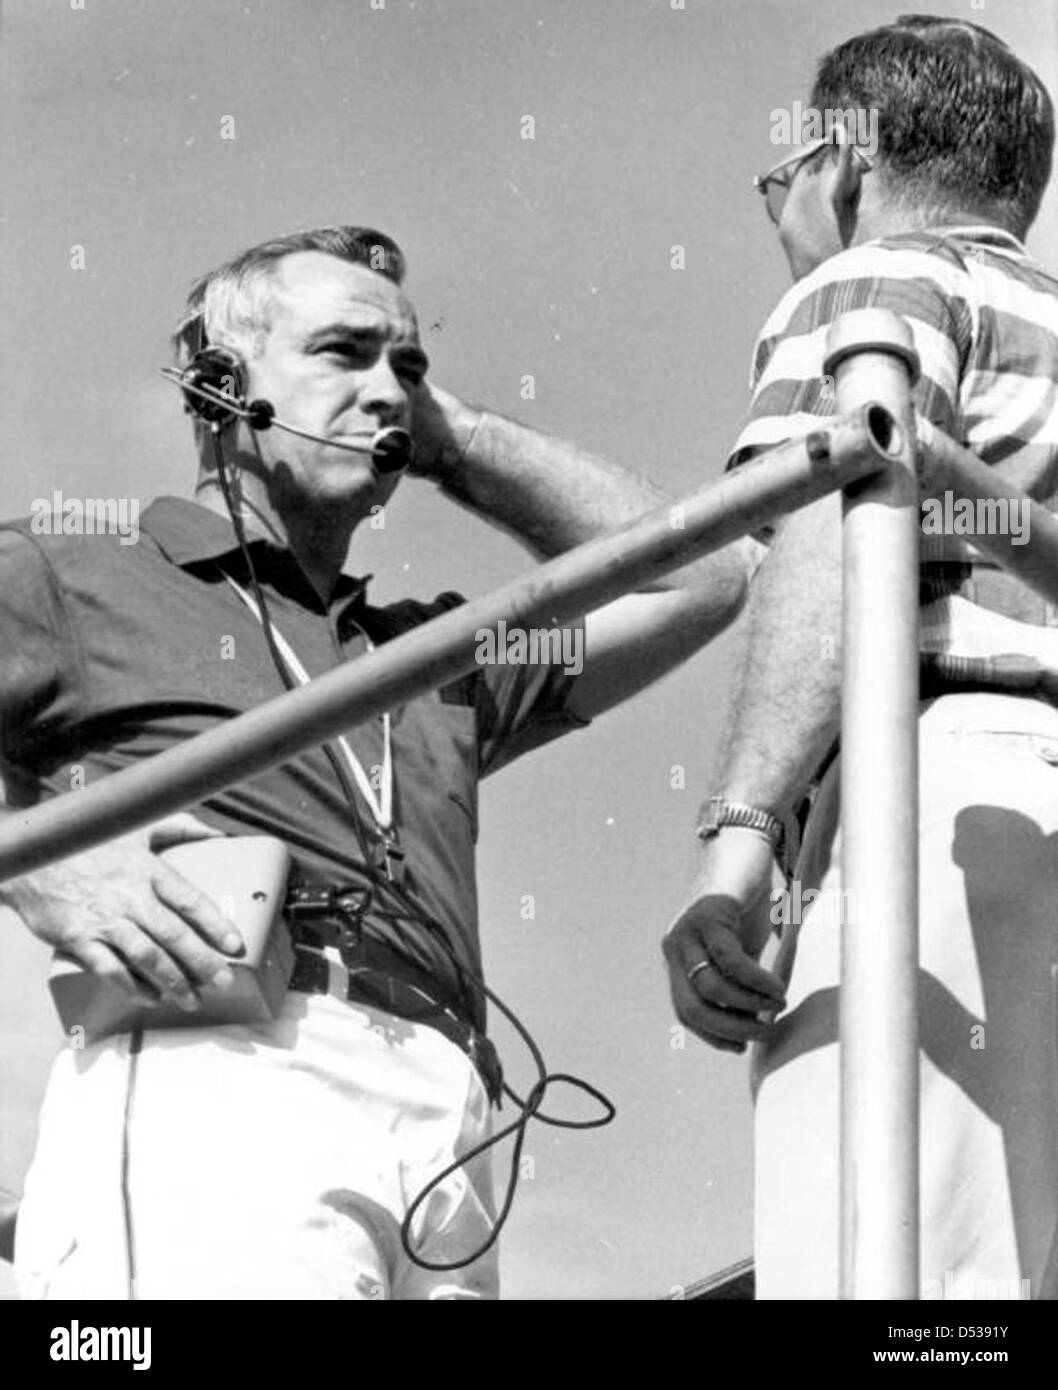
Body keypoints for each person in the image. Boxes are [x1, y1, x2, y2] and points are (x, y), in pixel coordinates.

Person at [4, 224, 752, 1300]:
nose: (389, 390)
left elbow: (699, 576)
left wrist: (446, 437)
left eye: (409, 365)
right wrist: (39, 859)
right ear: (218, 386)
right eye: (343, 352)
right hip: (227, 1074)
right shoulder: (79, 571)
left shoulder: (428, 653)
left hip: (450, 1120)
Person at [662, 16, 1058, 1299]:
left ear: (837, 156)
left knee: (885, 1276)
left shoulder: (876, 284)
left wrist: (736, 853)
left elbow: (831, 540)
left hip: (954, 789)